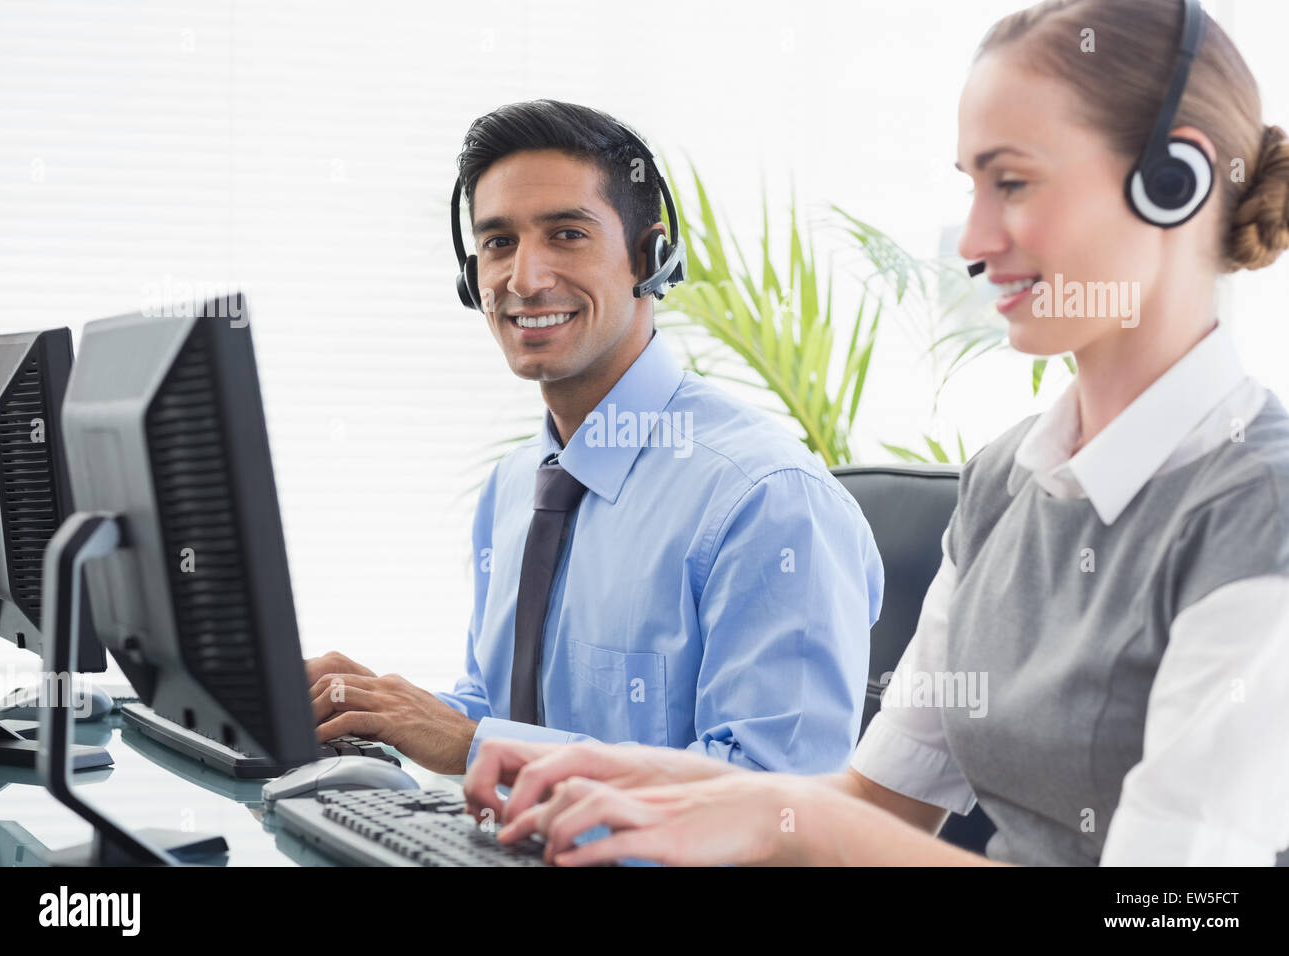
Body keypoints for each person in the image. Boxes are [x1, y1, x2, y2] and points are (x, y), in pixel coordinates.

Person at [464, 0, 1289, 866]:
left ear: (1175, 179)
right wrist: (624, 776)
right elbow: (877, 808)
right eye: (970, 185)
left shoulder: (1255, 506)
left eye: (1012, 183)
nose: (972, 240)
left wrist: (778, 816)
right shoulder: (1008, 479)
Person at [304, 100, 884, 776]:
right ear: (473, 280)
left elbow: (777, 795)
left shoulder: (767, 500)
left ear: (651, 256)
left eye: (567, 235)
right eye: (498, 243)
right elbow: (502, 711)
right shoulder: (518, 486)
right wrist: (372, 712)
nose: (523, 278)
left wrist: (475, 746)